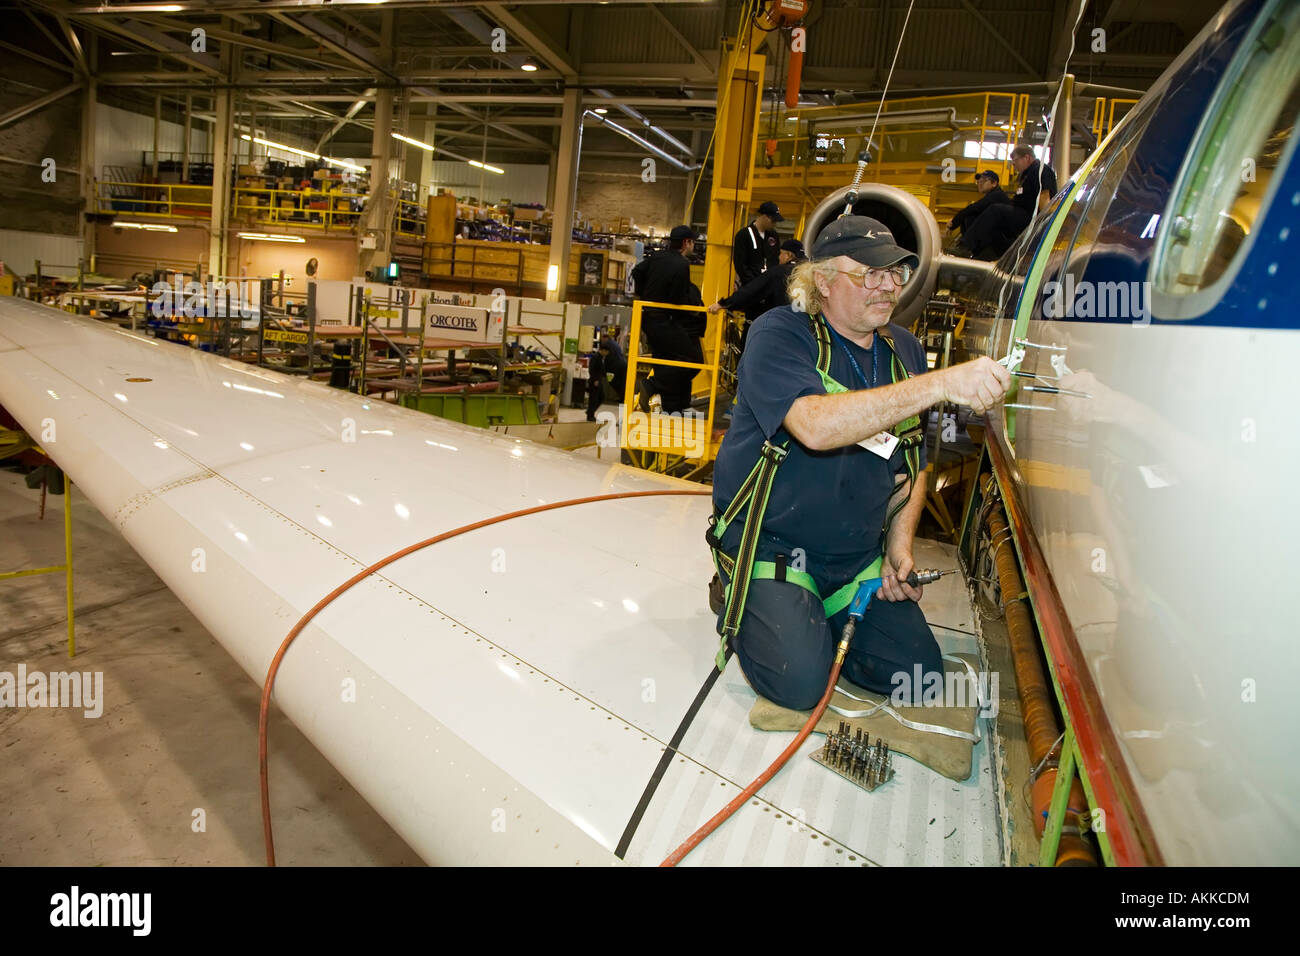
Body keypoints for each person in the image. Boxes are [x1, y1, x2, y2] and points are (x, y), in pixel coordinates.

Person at [705, 216, 1012, 710]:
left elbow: (913, 464)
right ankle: (741, 591)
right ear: (822, 281)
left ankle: (811, 616)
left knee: (919, 677)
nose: (888, 285)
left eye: (895, 272)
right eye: (868, 273)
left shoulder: (904, 350)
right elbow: (815, 427)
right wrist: (939, 384)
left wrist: (898, 547)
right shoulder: (780, 334)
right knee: (801, 685)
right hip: (774, 543)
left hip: (853, 557)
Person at [631, 225, 705, 414]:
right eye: (693, 242)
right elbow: (677, 298)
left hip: (647, 318)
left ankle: (675, 405)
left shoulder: (656, 256)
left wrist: (643, 293)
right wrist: (693, 311)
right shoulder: (682, 265)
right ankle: (652, 385)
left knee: (665, 361)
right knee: (693, 361)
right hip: (664, 320)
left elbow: (636, 272)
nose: (694, 246)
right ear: (686, 243)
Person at [955, 146, 1058, 260]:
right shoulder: (1025, 175)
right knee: (978, 217)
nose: (1013, 165)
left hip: (1031, 216)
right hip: (1020, 213)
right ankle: (985, 253)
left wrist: (1045, 223)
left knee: (996, 210)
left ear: (1027, 158)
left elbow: (1045, 196)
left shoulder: (1040, 170)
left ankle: (966, 246)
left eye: (1015, 161)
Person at [948, 170, 1009, 246]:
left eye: (983, 181)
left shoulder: (997, 195)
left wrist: (954, 223)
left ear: (994, 183)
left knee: (969, 217)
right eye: (978, 182)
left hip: (1003, 237)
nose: (980, 184)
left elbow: (973, 208)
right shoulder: (994, 195)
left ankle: (967, 247)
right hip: (999, 235)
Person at [732, 201, 784, 287]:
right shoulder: (744, 235)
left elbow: (775, 259)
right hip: (750, 286)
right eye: (773, 221)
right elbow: (740, 264)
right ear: (764, 216)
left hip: (768, 286)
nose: (775, 224)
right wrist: (754, 284)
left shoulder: (774, 236)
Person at [585, 334, 627, 421]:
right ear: (603, 350)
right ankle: (590, 414)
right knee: (595, 398)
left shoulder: (604, 353)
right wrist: (596, 379)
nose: (607, 354)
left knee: (600, 397)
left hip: (602, 377)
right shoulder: (597, 357)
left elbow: (602, 368)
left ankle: (590, 411)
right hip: (596, 381)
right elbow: (593, 369)